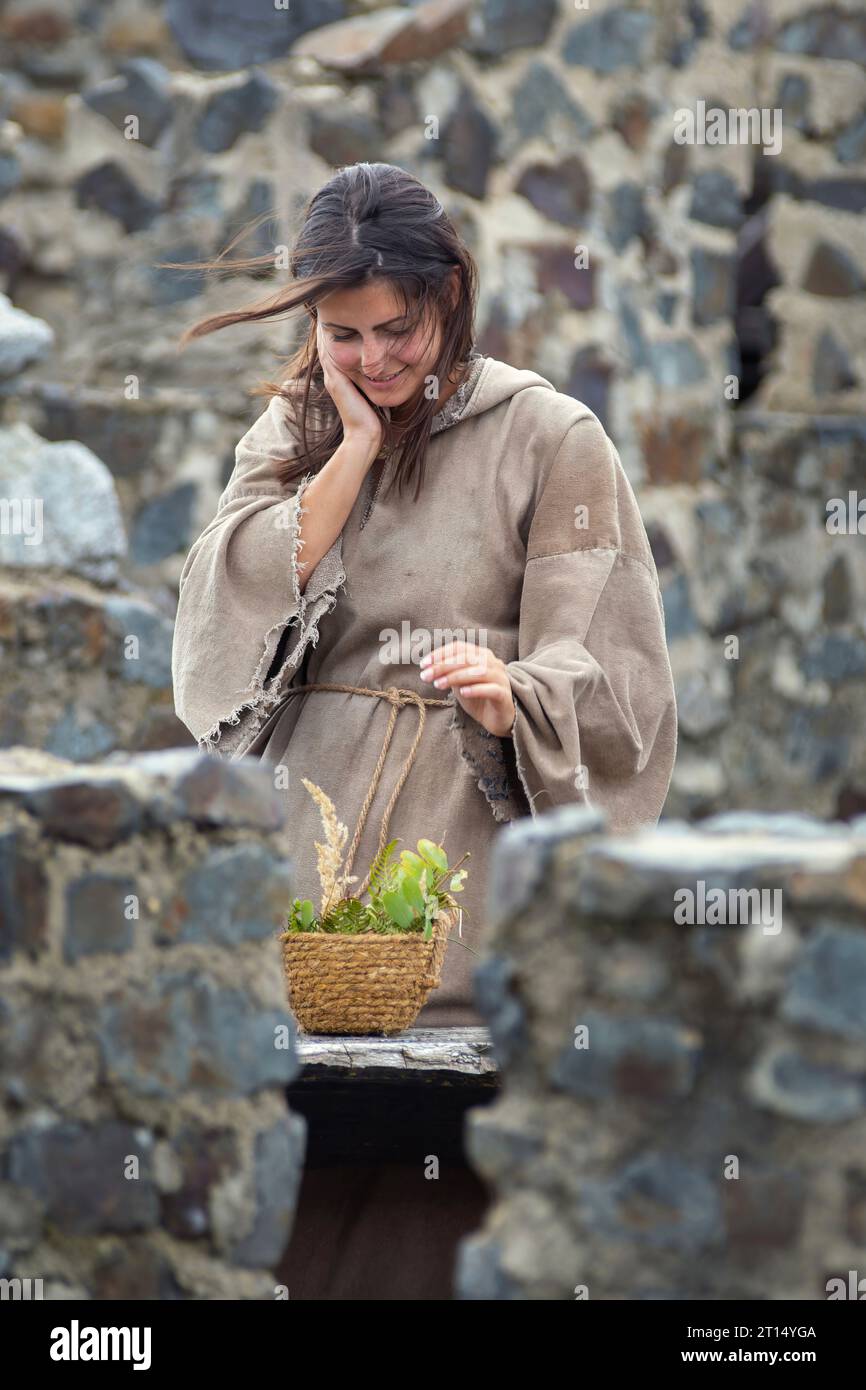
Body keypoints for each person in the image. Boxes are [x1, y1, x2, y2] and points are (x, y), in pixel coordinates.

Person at [170, 161, 677, 1296]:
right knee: (287, 1215)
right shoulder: (295, 427)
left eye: (395, 328)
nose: (373, 359)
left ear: (448, 294)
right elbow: (223, 609)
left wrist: (513, 692)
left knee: (424, 1212)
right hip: (309, 873)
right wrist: (348, 451)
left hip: (460, 868)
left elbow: (612, 673)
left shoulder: (552, 437)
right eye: (342, 335)